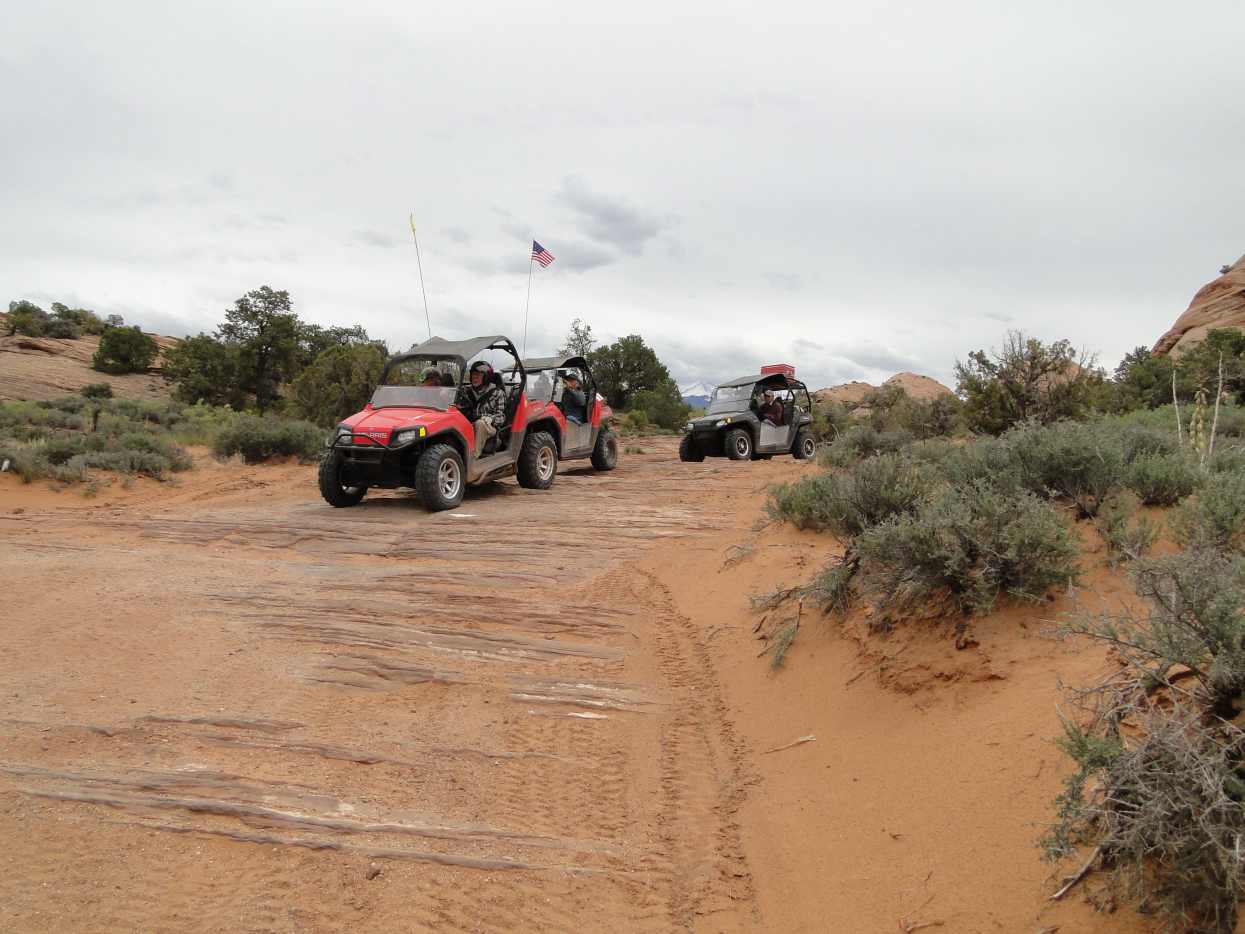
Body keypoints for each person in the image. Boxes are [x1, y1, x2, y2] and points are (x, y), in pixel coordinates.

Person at [455, 361, 506, 457]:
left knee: (480, 423)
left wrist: (491, 418)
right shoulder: (465, 391)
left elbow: (502, 417)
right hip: (469, 423)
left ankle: (473, 457)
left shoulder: (497, 393)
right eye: (473, 374)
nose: (474, 377)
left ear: (486, 377)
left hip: (489, 429)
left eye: (478, 375)